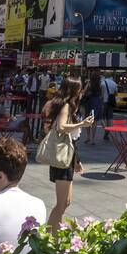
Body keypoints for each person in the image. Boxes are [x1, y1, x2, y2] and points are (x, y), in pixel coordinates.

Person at [43, 78, 94, 234]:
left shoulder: (67, 106)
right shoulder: (65, 106)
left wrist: (77, 160)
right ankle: (50, 236)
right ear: (72, 90)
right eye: (79, 89)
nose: (81, 92)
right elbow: (62, 127)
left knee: (66, 202)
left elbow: (70, 139)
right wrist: (82, 124)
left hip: (68, 157)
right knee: (62, 203)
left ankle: (54, 233)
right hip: (62, 158)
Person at [80, 72, 103, 146]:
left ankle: (88, 137)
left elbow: (83, 92)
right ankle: (93, 139)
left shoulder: (89, 84)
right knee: (95, 121)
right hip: (97, 103)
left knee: (88, 120)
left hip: (89, 103)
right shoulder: (100, 85)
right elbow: (101, 95)